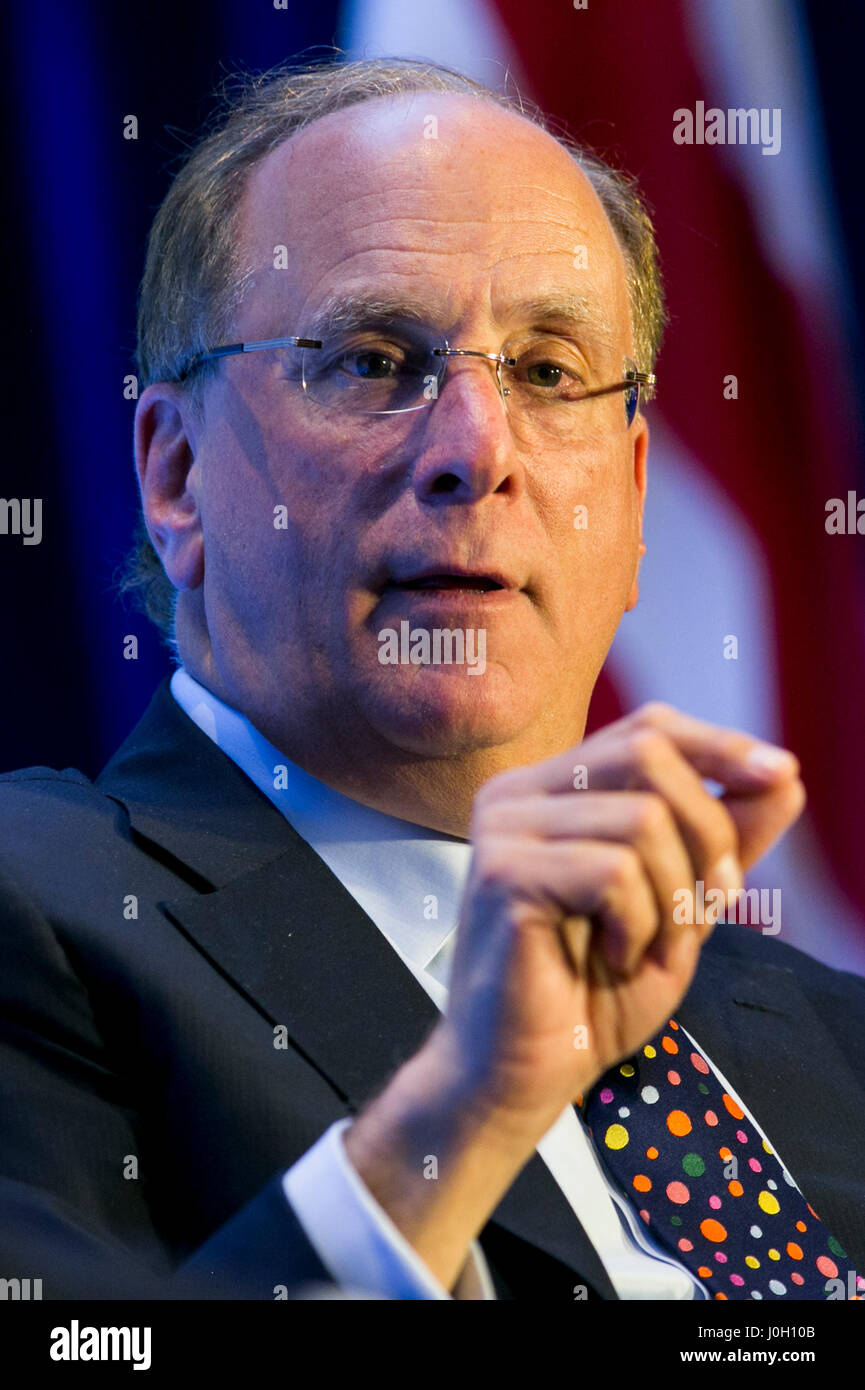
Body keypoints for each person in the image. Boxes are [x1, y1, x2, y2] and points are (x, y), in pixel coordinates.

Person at [2, 56, 864, 1303]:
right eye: (370, 357)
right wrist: (464, 1114)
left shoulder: (831, 1035)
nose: (475, 449)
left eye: (550, 370)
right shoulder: (43, 917)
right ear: (176, 477)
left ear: (629, 503)